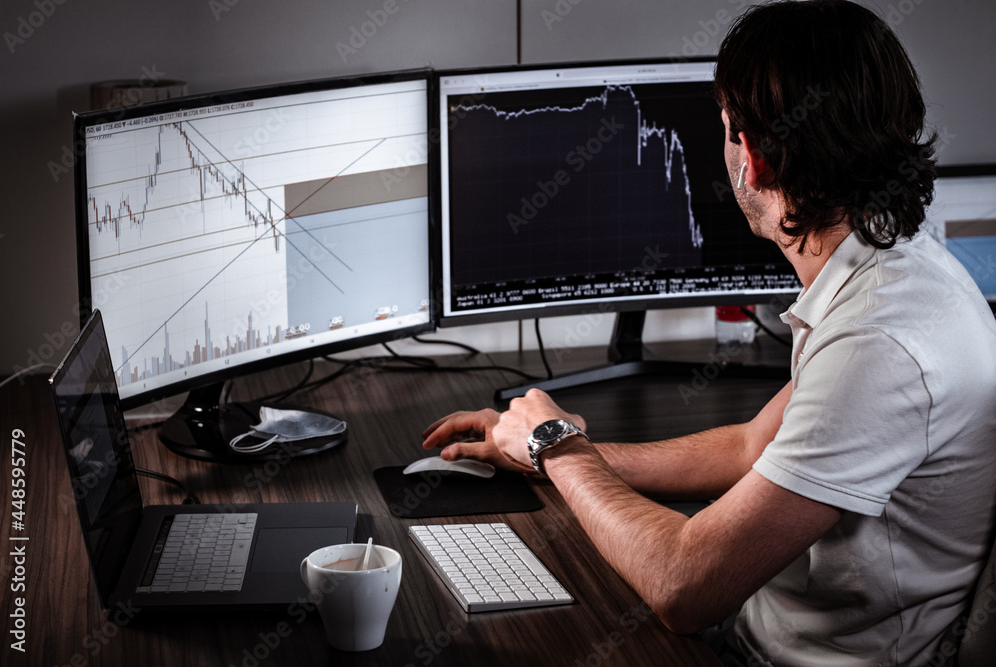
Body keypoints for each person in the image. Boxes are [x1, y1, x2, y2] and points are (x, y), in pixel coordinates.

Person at [421, 1, 996, 665]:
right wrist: (541, 446)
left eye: (725, 129)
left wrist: (557, 446)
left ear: (751, 156)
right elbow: (756, 446)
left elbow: (684, 586)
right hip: (761, 630)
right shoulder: (896, 267)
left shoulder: (882, 345)